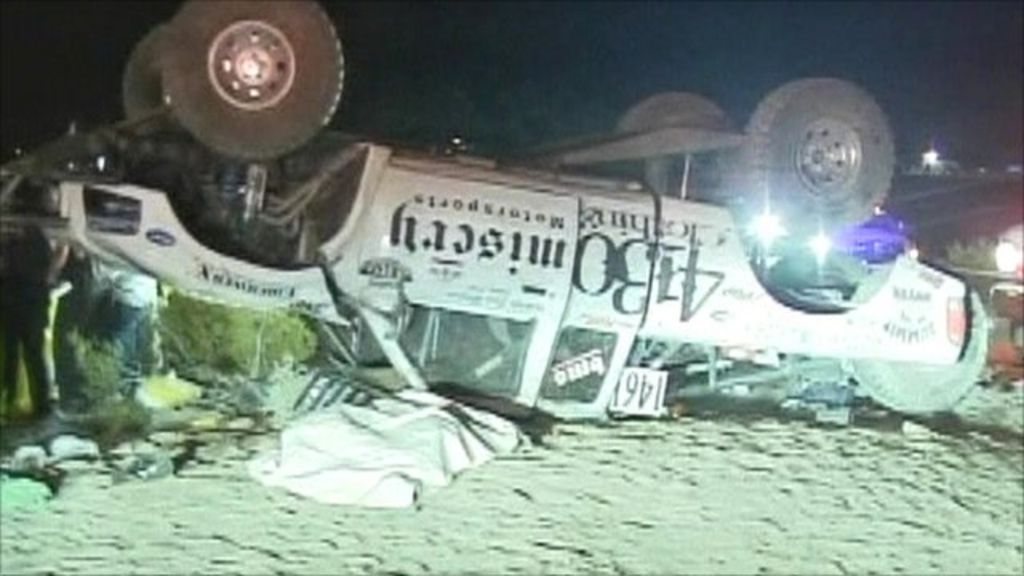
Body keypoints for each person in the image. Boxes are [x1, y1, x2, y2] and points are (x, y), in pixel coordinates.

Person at [1, 226, 63, 420]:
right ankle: (40, 407)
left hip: (13, 300)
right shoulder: (39, 237)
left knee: (13, 354)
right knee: (32, 354)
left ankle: (11, 401)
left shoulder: (12, 239)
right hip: (31, 301)